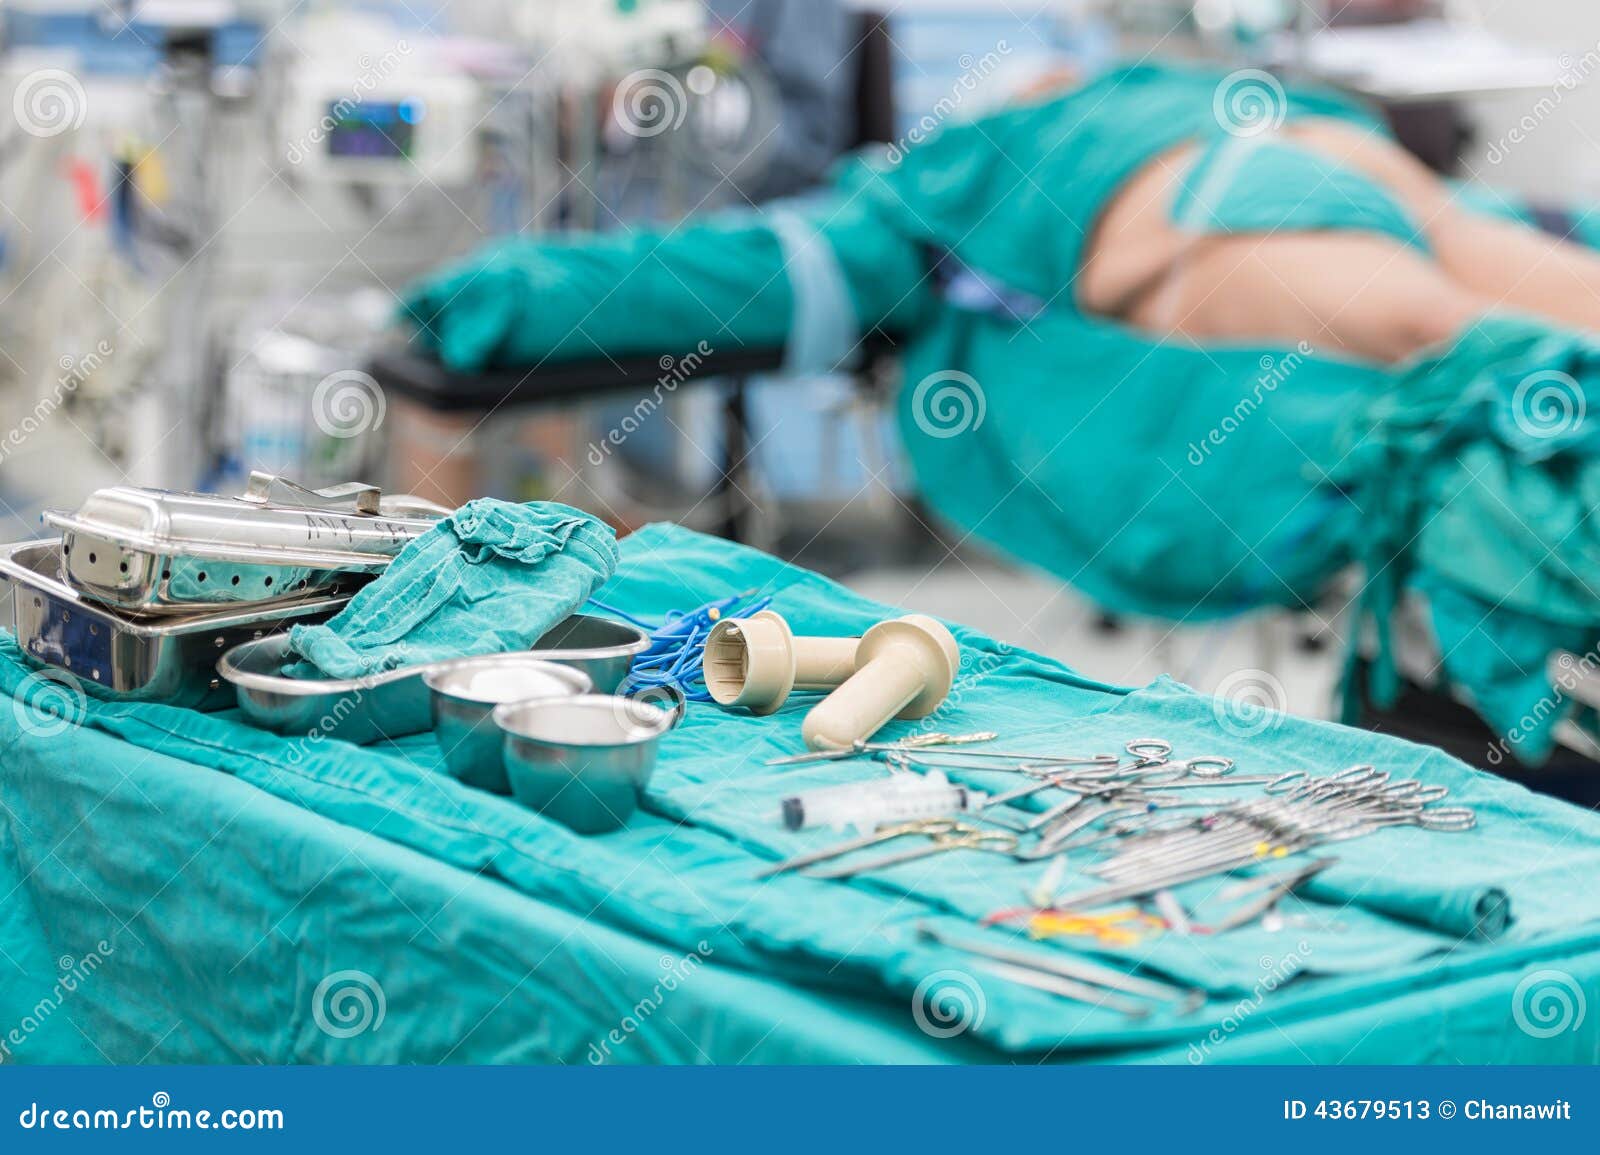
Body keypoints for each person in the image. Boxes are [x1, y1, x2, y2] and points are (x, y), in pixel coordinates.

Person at [400, 60, 1600, 764]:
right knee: (1539, 332)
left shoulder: (937, 179)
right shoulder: (1176, 89)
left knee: (1467, 365)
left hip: (1201, 220)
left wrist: (474, 305)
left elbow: (719, 275)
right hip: (1349, 174)